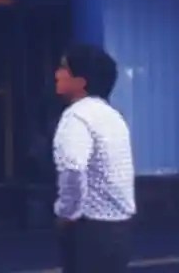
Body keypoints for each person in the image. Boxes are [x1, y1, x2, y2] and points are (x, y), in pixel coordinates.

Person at [53, 43, 137, 273]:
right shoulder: (113, 116)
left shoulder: (77, 117)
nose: (57, 74)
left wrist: (66, 212)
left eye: (63, 68)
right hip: (120, 229)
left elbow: (72, 168)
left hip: (90, 230)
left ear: (81, 81)